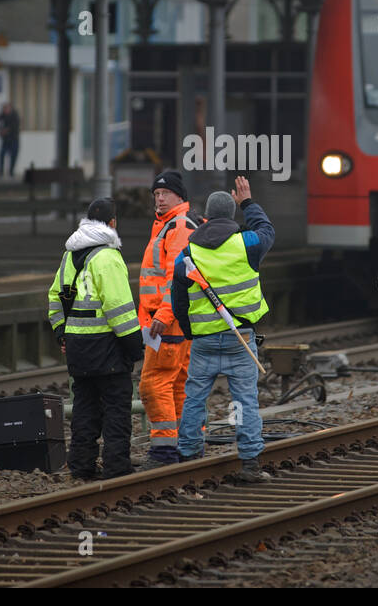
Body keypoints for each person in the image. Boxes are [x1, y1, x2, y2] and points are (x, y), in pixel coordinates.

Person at [171, 175, 275, 483]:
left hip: (203, 342)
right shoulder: (248, 243)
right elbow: (267, 230)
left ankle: (188, 457)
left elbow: (178, 301)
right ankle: (250, 464)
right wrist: (248, 203)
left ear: (204, 217)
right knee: (245, 400)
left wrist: (191, 331)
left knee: (194, 399)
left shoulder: (187, 255)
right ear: (232, 215)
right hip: (240, 339)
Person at [47, 197, 143, 480]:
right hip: (108, 347)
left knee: (84, 408)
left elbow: (55, 297)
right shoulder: (108, 258)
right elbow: (119, 309)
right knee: (116, 408)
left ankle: (81, 465)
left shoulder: (69, 257)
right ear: (113, 223)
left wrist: (61, 332)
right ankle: (116, 466)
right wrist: (134, 346)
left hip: (77, 348)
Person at [137, 170, 199, 465]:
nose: (159, 199)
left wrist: (161, 315)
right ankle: (187, 446)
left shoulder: (178, 227)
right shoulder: (168, 225)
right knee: (177, 385)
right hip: (168, 319)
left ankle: (163, 451)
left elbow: (178, 277)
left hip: (167, 321)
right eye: (156, 195)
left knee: (154, 383)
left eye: (165, 194)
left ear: (179, 196)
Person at [0, 102, 20, 177]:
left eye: (6, 109)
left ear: (10, 108)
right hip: (5, 140)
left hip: (14, 139)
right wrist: (0, 129)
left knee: (13, 156)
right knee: (1, 154)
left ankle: (11, 171)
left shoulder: (15, 115)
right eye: (3, 109)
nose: (5, 111)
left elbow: (15, 126)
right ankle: (1, 171)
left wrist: (5, 130)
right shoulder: (2, 115)